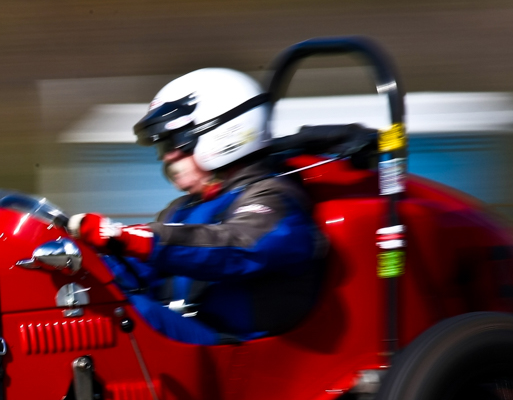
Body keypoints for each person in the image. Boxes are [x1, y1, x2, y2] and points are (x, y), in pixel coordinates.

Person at [67, 68, 327, 345]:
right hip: (198, 346)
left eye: (175, 141)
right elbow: (130, 273)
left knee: (127, 317)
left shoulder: (274, 198)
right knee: (94, 306)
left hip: (242, 356)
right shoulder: (183, 208)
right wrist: (82, 265)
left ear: (223, 132)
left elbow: (236, 245)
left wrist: (139, 239)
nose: (166, 156)